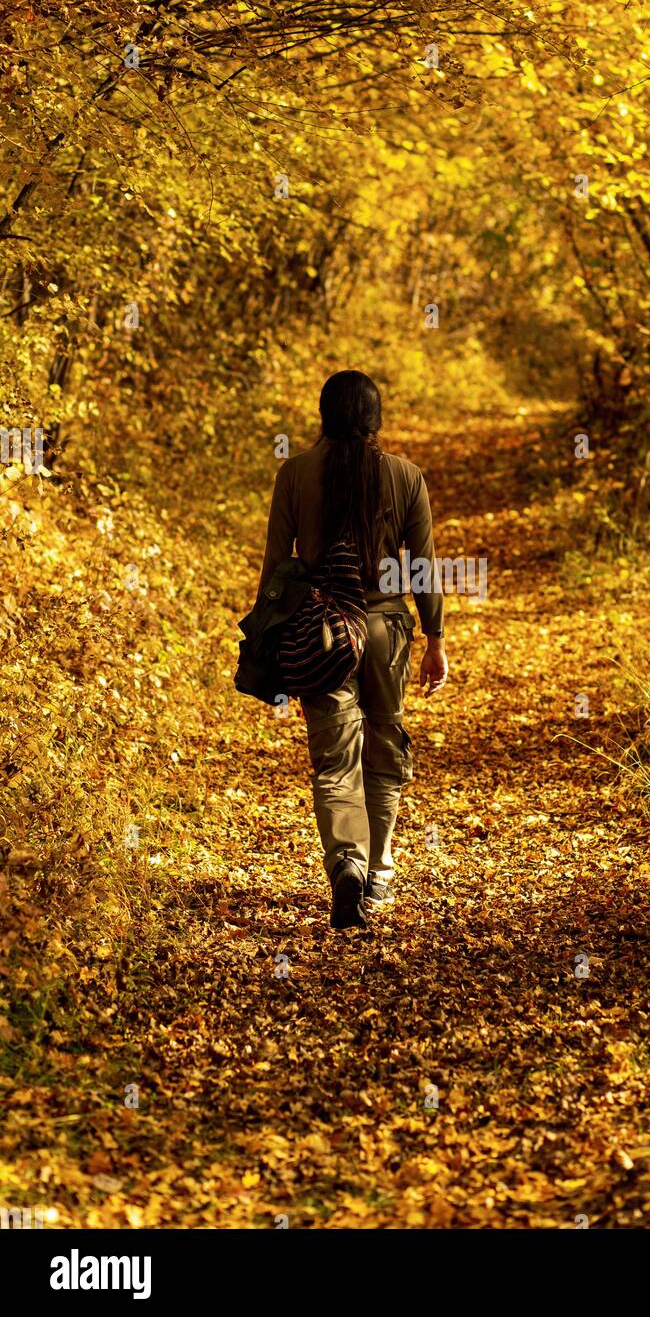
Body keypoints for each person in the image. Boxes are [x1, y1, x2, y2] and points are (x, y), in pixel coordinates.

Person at [257, 370, 448, 929]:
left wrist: (269, 648)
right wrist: (435, 639)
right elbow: (422, 569)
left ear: (323, 417)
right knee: (385, 749)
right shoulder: (406, 477)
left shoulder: (294, 474)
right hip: (386, 632)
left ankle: (347, 862)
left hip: (321, 634)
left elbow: (274, 570)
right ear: (376, 420)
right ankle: (380, 871)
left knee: (336, 759)